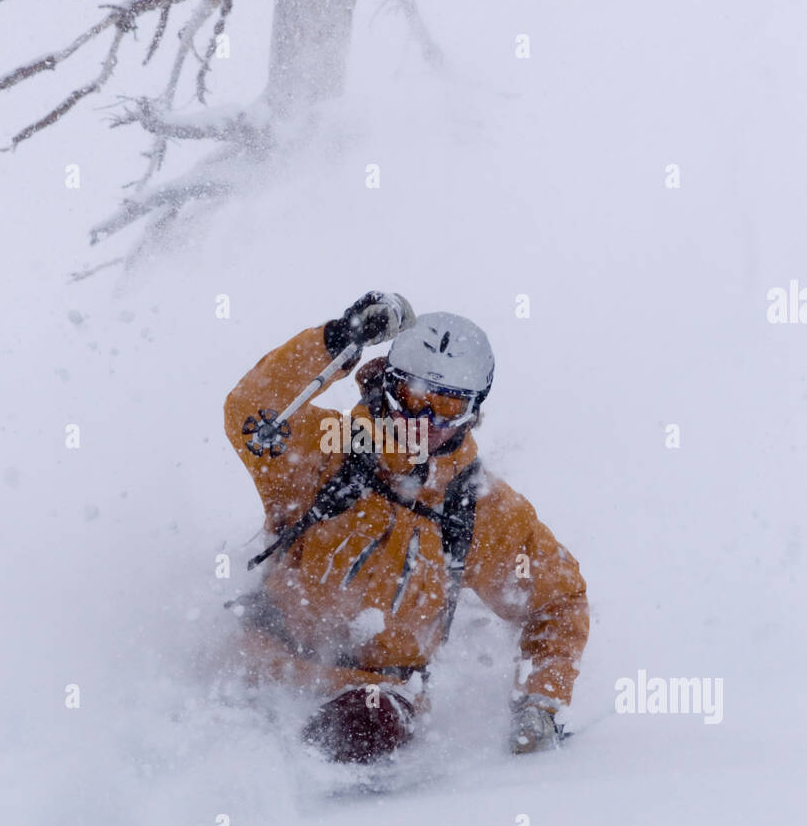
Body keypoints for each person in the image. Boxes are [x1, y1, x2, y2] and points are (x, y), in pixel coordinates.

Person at [224, 292, 588, 762]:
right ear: (389, 386)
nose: (426, 421)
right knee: (204, 706)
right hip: (261, 660)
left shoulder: (478, 507)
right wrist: (337, 340)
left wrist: (540, 700)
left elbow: (558, 603)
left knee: (366, 724)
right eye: (414, 398)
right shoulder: (324, 450)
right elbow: (250, 410)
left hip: (373, 697)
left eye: (448, 407)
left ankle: (297, 797)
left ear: (474, 410)